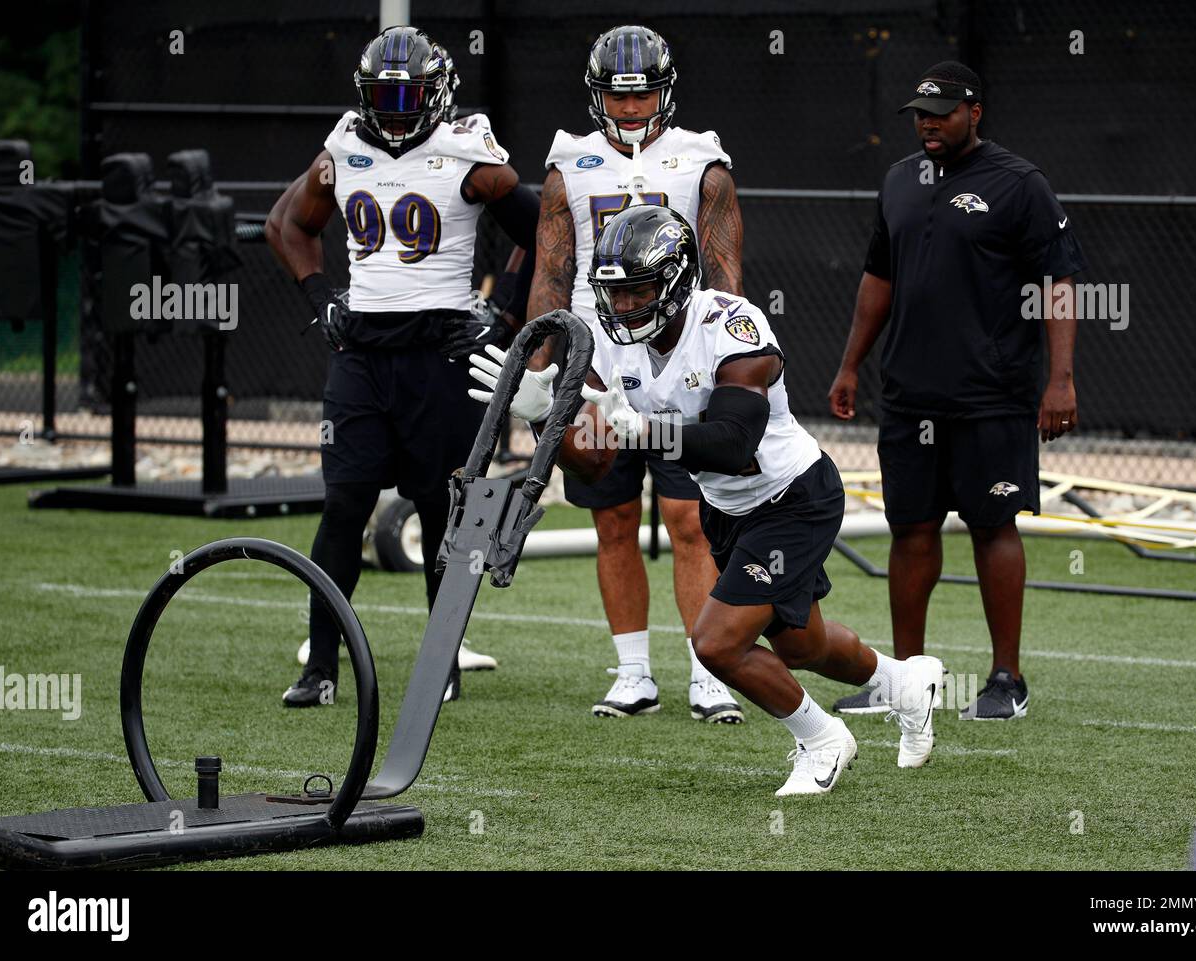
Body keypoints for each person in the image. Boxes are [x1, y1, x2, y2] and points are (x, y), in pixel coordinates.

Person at [468, 205, 943, 794]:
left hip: (792, 495)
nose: (621, 307)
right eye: (612, 293)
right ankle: (903, 684)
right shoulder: (612, 344)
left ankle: (822, 739)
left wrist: (642, 432)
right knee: (802, 645)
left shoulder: (731, 326)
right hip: (728, 508)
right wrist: (550, 422)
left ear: (674, 281)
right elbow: (593, 468)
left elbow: (733, 442)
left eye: (636, 290)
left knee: (717, 643)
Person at [265, 25, 538, 707]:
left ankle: (439, 664)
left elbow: (548, 234)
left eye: (404, 94)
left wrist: (503, 313)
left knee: (442, 508)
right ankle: (320, 667)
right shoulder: (345, 148)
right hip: (362, 353)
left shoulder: (469, 154)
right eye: (380, 95)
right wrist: (320, 297)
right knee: (342, 504)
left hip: (442, 352)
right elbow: (286, 223)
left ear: (437, 94)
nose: (391, 109)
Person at [827, 62, 1085, 720]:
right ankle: (906, 679)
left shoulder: (1019, 183)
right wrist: (851, 362)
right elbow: (877, 278)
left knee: (992, 525)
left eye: (940, 112)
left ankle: (1007, 678)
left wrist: (1060, 378)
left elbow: (1059, 282)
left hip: (992, 393)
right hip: (909, 392)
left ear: (976, 111)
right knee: (909, 529)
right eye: (919, 113)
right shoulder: (899, 180)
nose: (927, 123)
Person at [525, 24, 746, 722]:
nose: (629, 109)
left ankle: (707, 670)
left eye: (642, 93)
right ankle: (632, 673)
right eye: (618, 97)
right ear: (596, 97)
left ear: (665, 90)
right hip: (595, 370)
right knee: (614, 519)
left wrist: (725, 365)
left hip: (677, 365)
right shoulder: (570, 165)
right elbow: (551, 273)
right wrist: (536, 371)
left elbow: (726, 279)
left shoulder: (700, 161)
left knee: (690, 518)